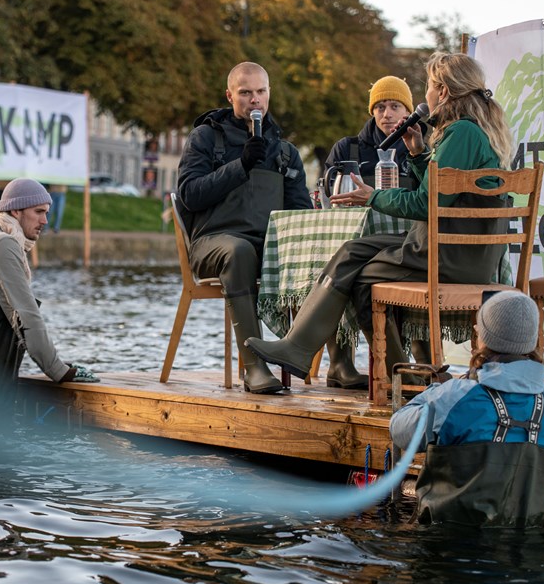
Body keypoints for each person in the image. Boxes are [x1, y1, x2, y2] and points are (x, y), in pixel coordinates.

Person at [248, 52, 516, 381]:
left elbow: (425, 204)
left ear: (443, 91)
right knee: (351, 250)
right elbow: (438, 192)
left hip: (451, 254)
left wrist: (372, 196)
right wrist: (418, 154)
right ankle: (301, 346)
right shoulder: (473, 130)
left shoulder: (460, 132)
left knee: (363, 280)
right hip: (458, 249)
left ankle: (395, 372)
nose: (426, 95)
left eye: (429, 87)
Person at [176, 61, 311, 394]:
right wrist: (241, 165)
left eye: (261, 92)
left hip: (267, 248)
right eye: (245, 93)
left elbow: (300, 213)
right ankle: (254, 367)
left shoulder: (285, 152)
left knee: (330, 256)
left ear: (269, 94)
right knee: (240, 251)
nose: (255, 100)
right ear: (229, 95)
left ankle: (337, 364)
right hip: (213, 244)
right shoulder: (206, 138)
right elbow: (189, 195)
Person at [390, 291, 544, 526]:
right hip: (521, 549)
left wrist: (437, 391)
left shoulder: (456, 395)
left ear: (483, 339)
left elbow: (399, 429)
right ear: (531, 341)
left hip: (448, 548)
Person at [0, 179, 98, 431]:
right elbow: (26, 316)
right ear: (15, 211)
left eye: (46, 213)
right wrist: (58, 370)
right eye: (38, 212)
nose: (45, 221)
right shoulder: (2, 245)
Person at [319, 76, 420, 389]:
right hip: (355, 237)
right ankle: (340, 362)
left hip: (404, 241)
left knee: (361, 269)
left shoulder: (418, 147)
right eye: (379, 106)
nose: (386, 113)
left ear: (408, 110)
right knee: (334, 257)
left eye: (394, 106)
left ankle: (418, 357)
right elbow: (324, 194)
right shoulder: (347, 148)